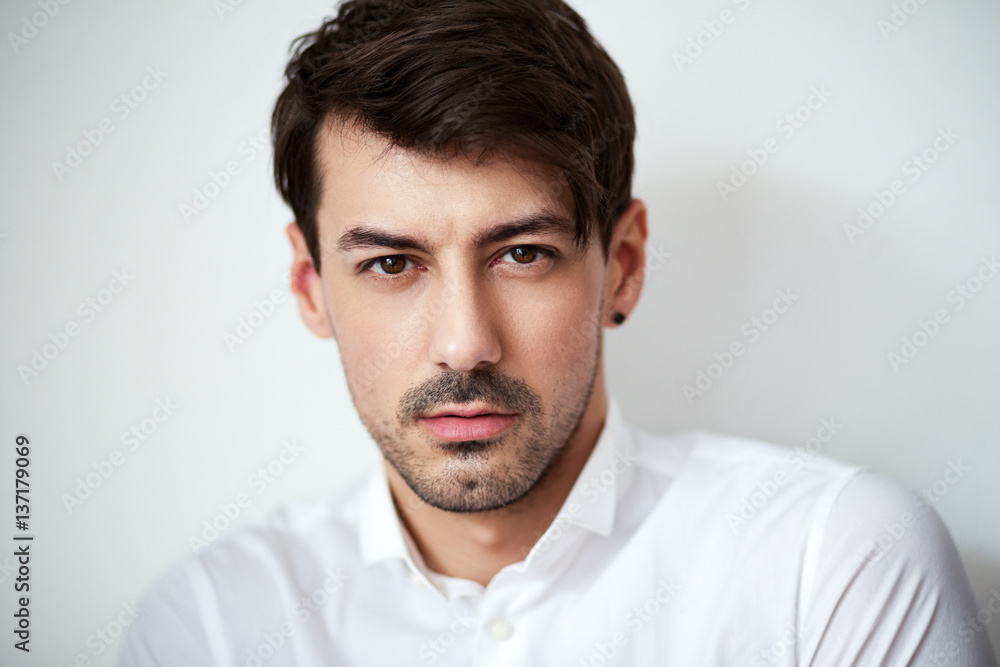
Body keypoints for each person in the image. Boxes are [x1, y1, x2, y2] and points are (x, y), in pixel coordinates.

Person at [119, 0, 997, 665]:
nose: (465, 344)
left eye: (522, 253)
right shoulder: (212, 625)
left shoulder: (834, 565)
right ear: (311, 286)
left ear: (622, 265)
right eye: (393, 264)